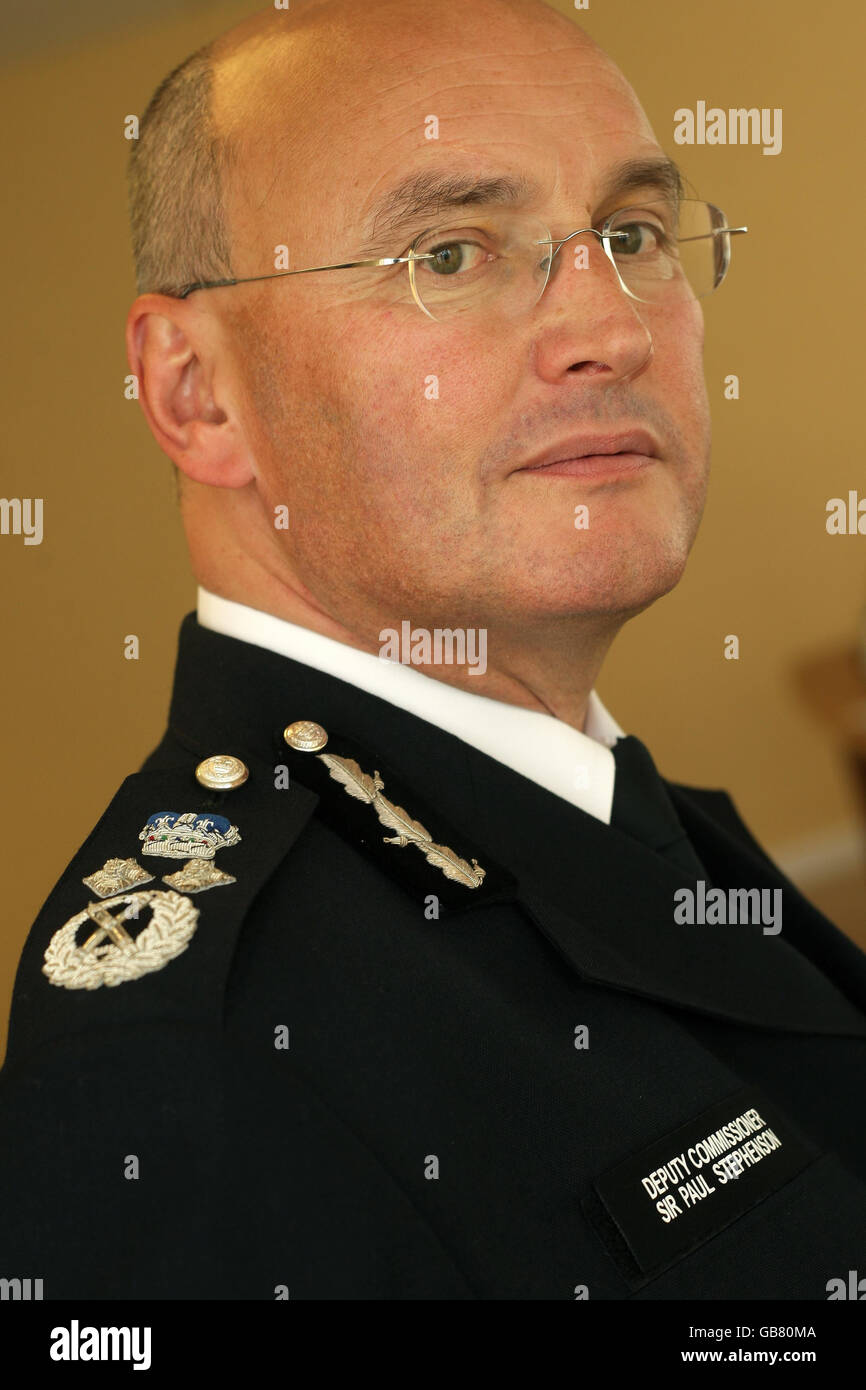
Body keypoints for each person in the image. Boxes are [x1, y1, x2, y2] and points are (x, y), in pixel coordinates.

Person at [1, 0, 865, 1301]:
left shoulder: (616, 816)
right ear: (196, 390)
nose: (612, 329)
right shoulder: (191, 1053)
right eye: (448, 254)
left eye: (632, 235)